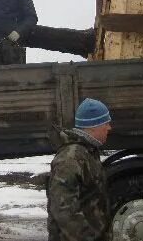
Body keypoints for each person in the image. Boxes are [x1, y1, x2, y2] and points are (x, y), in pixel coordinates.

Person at [48, 98, 112, 241]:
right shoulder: (71, 158)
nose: (109, 128)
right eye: (106, 123)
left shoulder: (86, 152)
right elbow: (63, 209)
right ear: (93, 126)